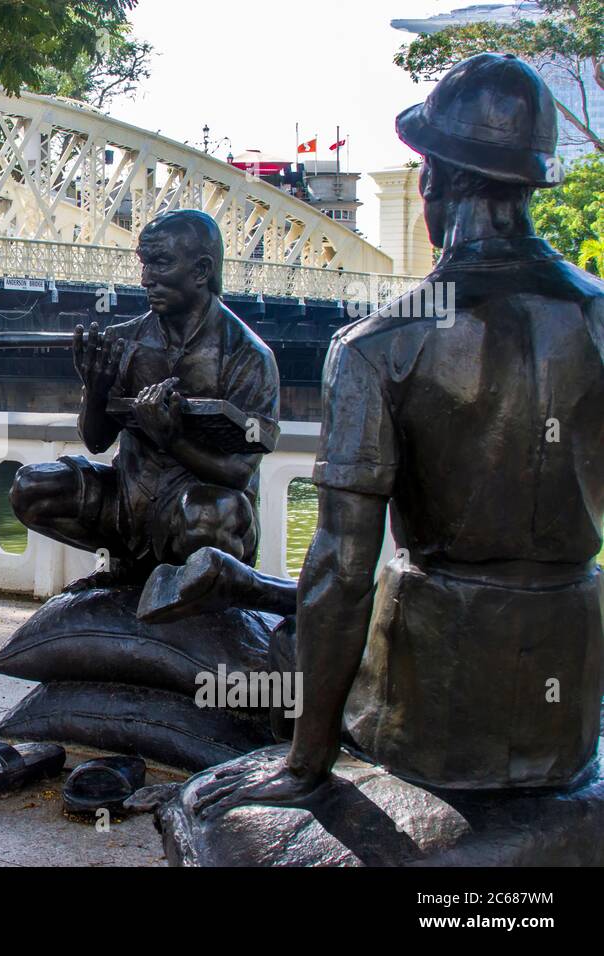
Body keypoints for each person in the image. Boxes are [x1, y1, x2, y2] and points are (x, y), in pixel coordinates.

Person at [191, 53, 604, 816]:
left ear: (435, 182)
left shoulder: (380, 343)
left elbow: (342, 570)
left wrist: (306, 761)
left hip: (433, 715)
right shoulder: (598, 315)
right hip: (567, 710)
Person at [10, 210, 279, 590]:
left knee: (208, 515)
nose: (145, 279)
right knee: (32, 488)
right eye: (144, 263)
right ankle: (129, 569)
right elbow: (97, 441)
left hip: (199, 519)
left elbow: (239, 473)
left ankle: (193, 589)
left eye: (161, 263)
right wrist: (96, 391)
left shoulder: (247, 355)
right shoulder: (127, 340)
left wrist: (173, 440)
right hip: (129, 504)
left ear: (202, 271)